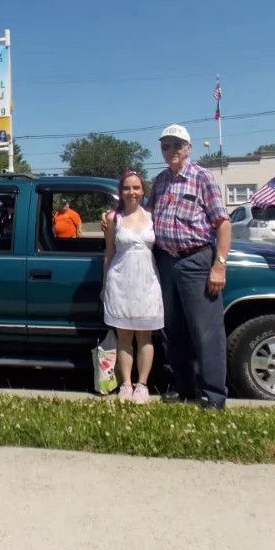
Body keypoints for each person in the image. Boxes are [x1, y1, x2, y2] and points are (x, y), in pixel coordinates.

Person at [147, 124, 232, 409]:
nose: (170, 150)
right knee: (172, 330)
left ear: (188, 148)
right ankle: (184, 388)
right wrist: (114, 217)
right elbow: (145, 216)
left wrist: (219, 265)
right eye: (165, 145)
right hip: (165, 260)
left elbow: (223, 223)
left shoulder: (202, 177)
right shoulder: (160, 181)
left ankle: (214, 395)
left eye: (176, 145)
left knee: (206, 332)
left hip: (196, 260)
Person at [100, 171, 164, 404]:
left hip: (148, 281)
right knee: (124, 336)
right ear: (121, 192)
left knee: (145, 336)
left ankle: (142, 384)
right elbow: (109, 255)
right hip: (120, 281)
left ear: (143, 191)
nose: (132, 192)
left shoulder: (152, 216)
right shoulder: (112, 218)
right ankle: (126, 383)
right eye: (127, 188)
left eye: (136, 187)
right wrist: (105, 286)